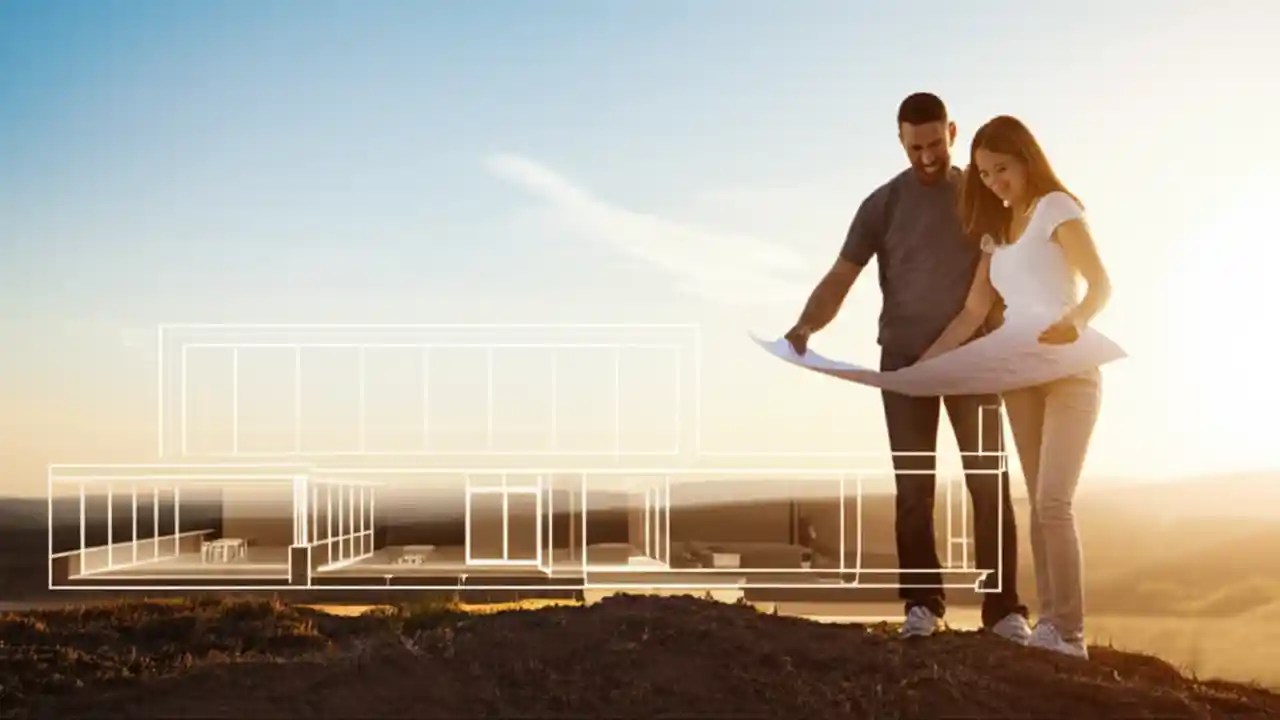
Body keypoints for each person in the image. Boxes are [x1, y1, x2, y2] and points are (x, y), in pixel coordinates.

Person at [785, 92, 1030, 642]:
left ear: (952, 132)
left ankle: (1005, 610)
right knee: (913, 488)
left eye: (935, 143)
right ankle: (924, 605)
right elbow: (840, 276)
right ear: (900, 140)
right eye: (914, 146)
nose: (925, 156)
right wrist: (805, 326)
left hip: (975, 361)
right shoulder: (881, 205)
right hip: (902, 366)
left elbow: (1011, 273)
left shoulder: (980, 193)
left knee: (988, 481)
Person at [918, 114, 1113, 658]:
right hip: (1022, 375)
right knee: (1036, 501)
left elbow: (1100, 284)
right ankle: (1050, 623)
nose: (993, 181)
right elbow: (975, 309)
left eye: (1000, 168)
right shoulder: (996, 232)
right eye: (983, 174)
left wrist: (1076, 319)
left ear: (1025, 157)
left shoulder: (1057, 208)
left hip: (1070, 368)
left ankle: (1069, 632)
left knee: (1054, 501)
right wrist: (922, 367)